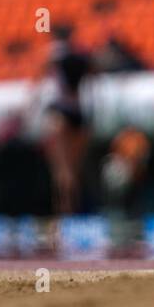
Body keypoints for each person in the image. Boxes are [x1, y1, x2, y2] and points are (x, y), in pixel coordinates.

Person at [38, 25, 93, 215]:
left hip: (61, 112)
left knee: (61, 172)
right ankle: (73, 211)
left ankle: (63, 212)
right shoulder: (81, 55)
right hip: (78, 112)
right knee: (74, 170)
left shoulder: (54, 55)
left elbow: (38, 80)